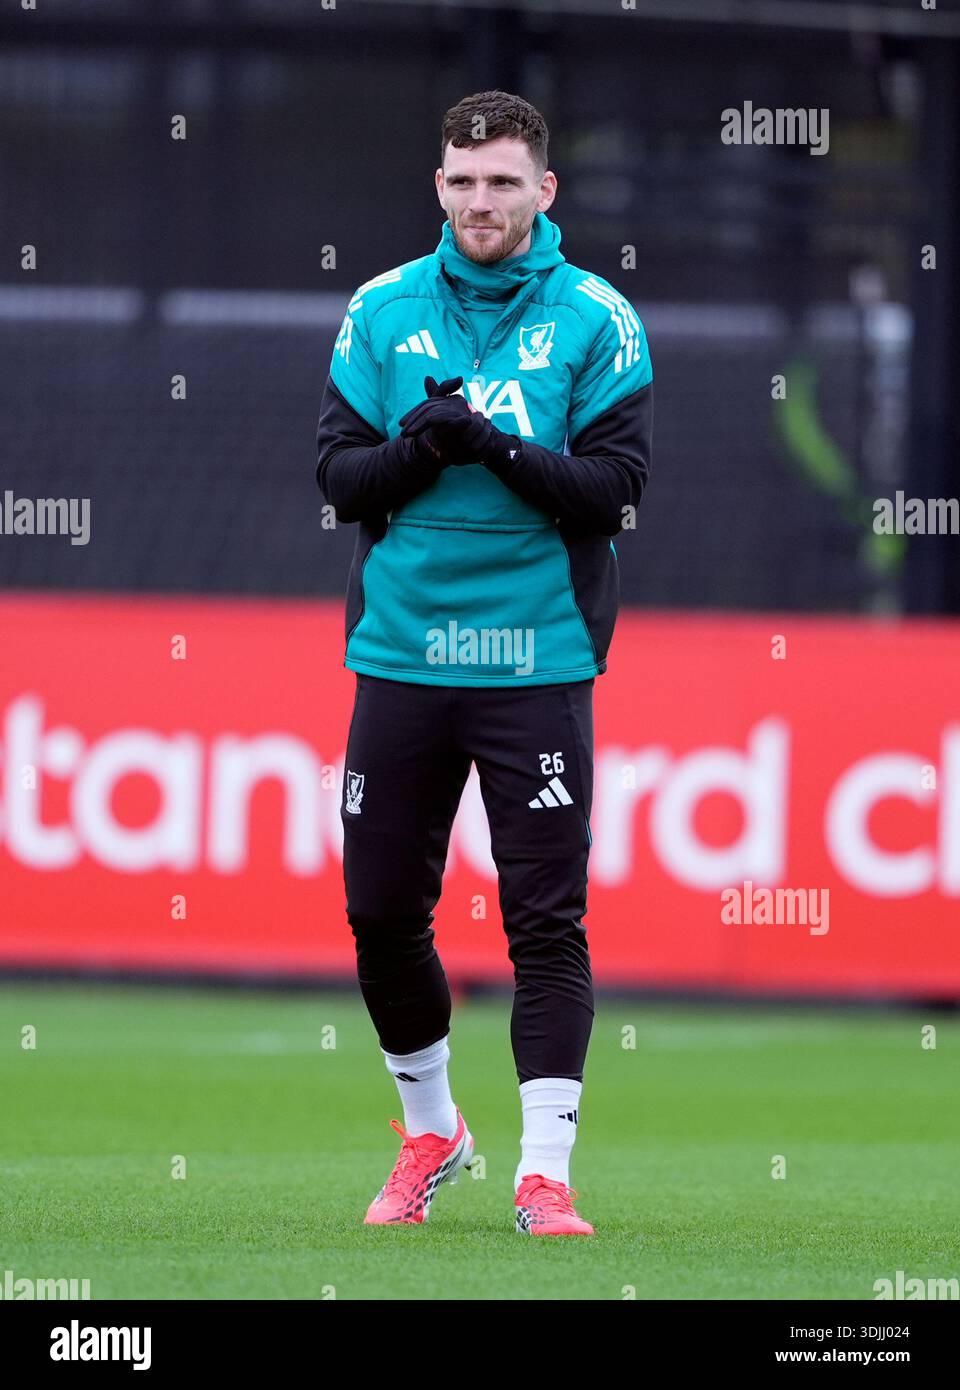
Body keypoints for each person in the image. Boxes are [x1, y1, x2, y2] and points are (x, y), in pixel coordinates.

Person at [315, 89, 653, 1236]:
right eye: (461, 183)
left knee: (544, 921)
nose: (479, 203)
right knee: (376, 910)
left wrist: (495, 443)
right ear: (439, 187)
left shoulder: (598, 317)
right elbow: (339, 479)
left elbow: (615, 489)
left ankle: (543, 1175)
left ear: (543, 191)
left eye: (502, 182)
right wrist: (419, 443)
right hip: (404, 656)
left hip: (536, 658)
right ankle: (432, 1132)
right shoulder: (381, 308)